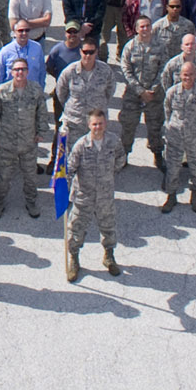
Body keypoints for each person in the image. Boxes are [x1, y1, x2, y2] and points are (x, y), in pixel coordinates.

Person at [62, 109, 124, 282]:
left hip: (105, 195)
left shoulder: (113, 141)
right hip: (84, 196)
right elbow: (70, 169)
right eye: (94, 124)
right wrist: (63, 189)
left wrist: (109, 175)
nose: (98, 127)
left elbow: (120, 159)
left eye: (101, 123)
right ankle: (74, 260)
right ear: (89, 125)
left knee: (108, 227)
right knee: (76, 230)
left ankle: (109, 256)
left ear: (106, 124)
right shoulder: (81, 145)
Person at [0, 57, 53, 221]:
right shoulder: (3, 91)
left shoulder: (35, 90)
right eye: (16, 69)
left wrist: (41, 131)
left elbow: (42, 113)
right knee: (3, 177)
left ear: (27, 71)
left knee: (30, 177)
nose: (19, 72)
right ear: (11, 72)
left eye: (23, 69)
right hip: (6, 142)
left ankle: (31, 202)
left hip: (28, 142)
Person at [160, 57, 196, 213]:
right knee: (173, 167)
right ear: (180, 75)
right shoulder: (172, 92)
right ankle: (171, 196)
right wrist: (173, 126)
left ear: (195, 75)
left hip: (194, 137)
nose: (187, 78)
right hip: (175, 138)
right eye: (185, 75)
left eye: (190, 74)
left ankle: (195, 195)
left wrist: (195, 128)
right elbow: (167, 111)